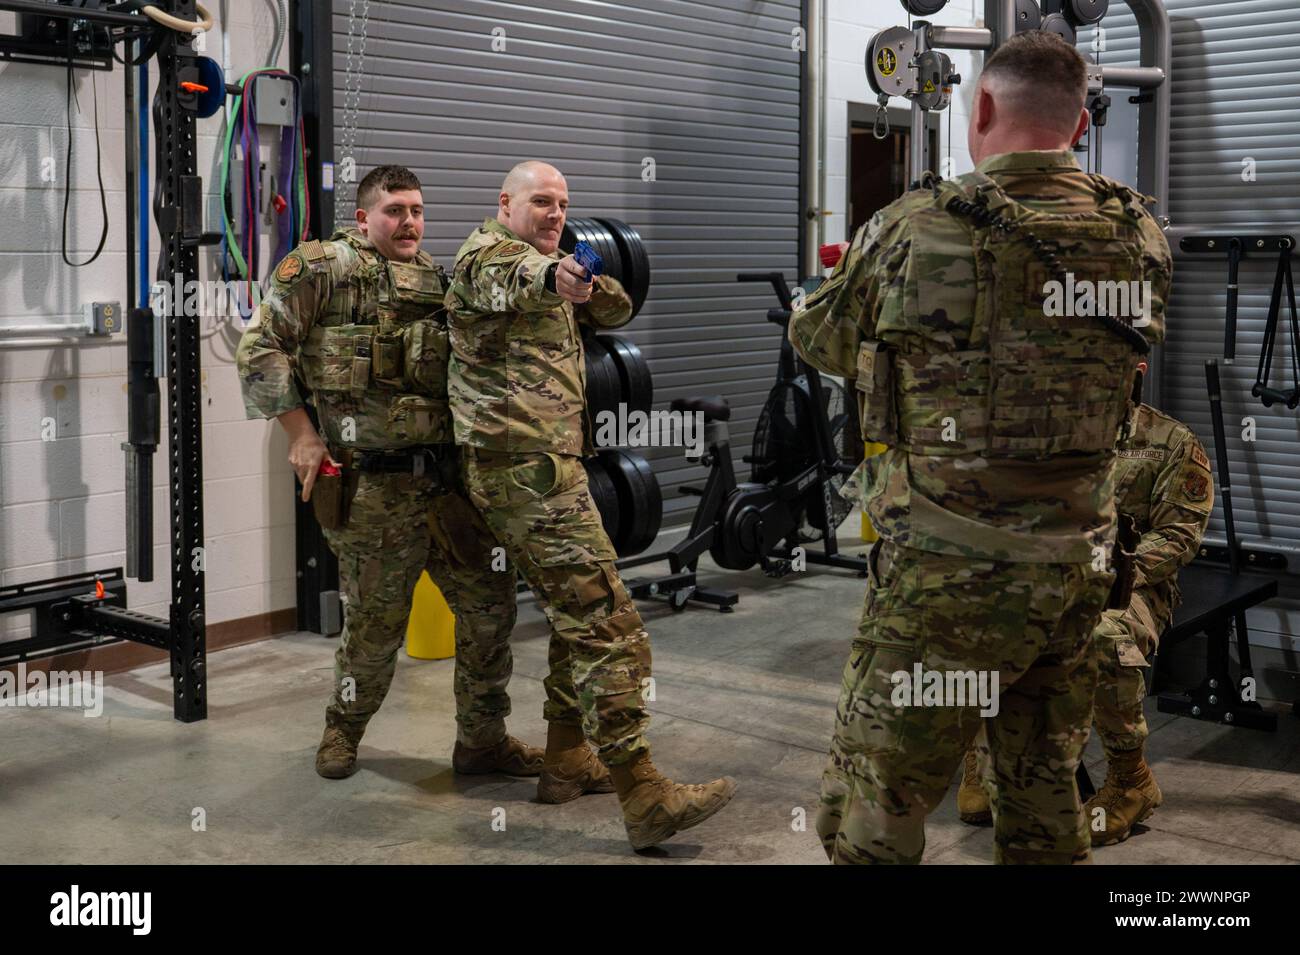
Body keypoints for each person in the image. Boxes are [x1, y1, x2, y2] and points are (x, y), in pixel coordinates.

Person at [788, 32, 1172, 864]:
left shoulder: (912, 227)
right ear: (1076, 123)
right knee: (1042, 791)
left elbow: (820, 337)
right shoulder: (1138, 232)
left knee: (874, 802)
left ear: (985, 108)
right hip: (1077, 573)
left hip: (946, 577)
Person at [445, 160, 735, 850]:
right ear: (506, 203)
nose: (554, 212)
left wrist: (580, 278)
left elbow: (615, 308)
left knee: (578, 619)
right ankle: (643, 794)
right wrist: (554, 275)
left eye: (563, 202)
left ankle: (570, 757)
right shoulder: (485, 255)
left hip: (553, 468)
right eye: (541, 200)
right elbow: (513, 276)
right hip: (524, 473)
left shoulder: (560, 261)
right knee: (610, 623)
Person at [237, 164, 540, 781]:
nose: (409, 222)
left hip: (447, 486)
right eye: (395, 210)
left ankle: (482, 742)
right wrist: (300, 433)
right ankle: (342, 733)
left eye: (417, 211)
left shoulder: (436, 279)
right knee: (375, 628)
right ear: (364, 216)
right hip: (373, 488)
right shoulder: (324, 268)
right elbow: (259, 346)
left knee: (489, 606)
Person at [956, 401, 1213, 845]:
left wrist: (1106, 572)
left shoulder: (1171, 442)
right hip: (1039, 573)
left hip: (1131, 584)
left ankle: (1129, 781)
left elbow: (1177, 536)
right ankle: (982, 755)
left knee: (1099, 635)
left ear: (1135, 370)